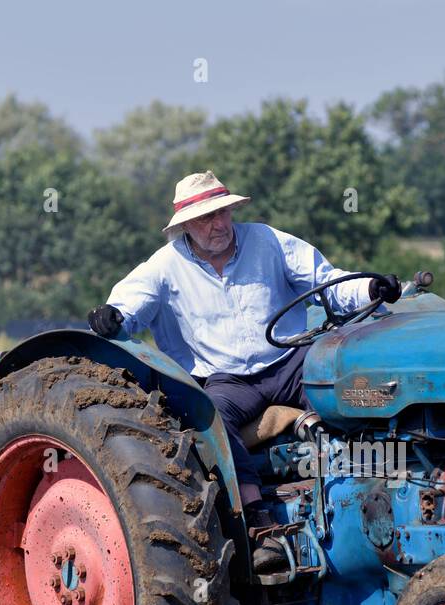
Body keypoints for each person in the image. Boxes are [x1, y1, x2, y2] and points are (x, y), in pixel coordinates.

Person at [87, 171, 400, 573]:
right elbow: (129, 305)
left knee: (348, 387)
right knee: (208, 417)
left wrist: (370, 289)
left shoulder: (268, 241)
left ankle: (374, 481)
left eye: (222, 213)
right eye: (204, 218)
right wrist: (113, 316)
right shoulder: (165, 267)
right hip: (226, 379)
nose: (217, 225)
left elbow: (326, 281)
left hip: (289, 359)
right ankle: (258, 522)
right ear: (185, 227)